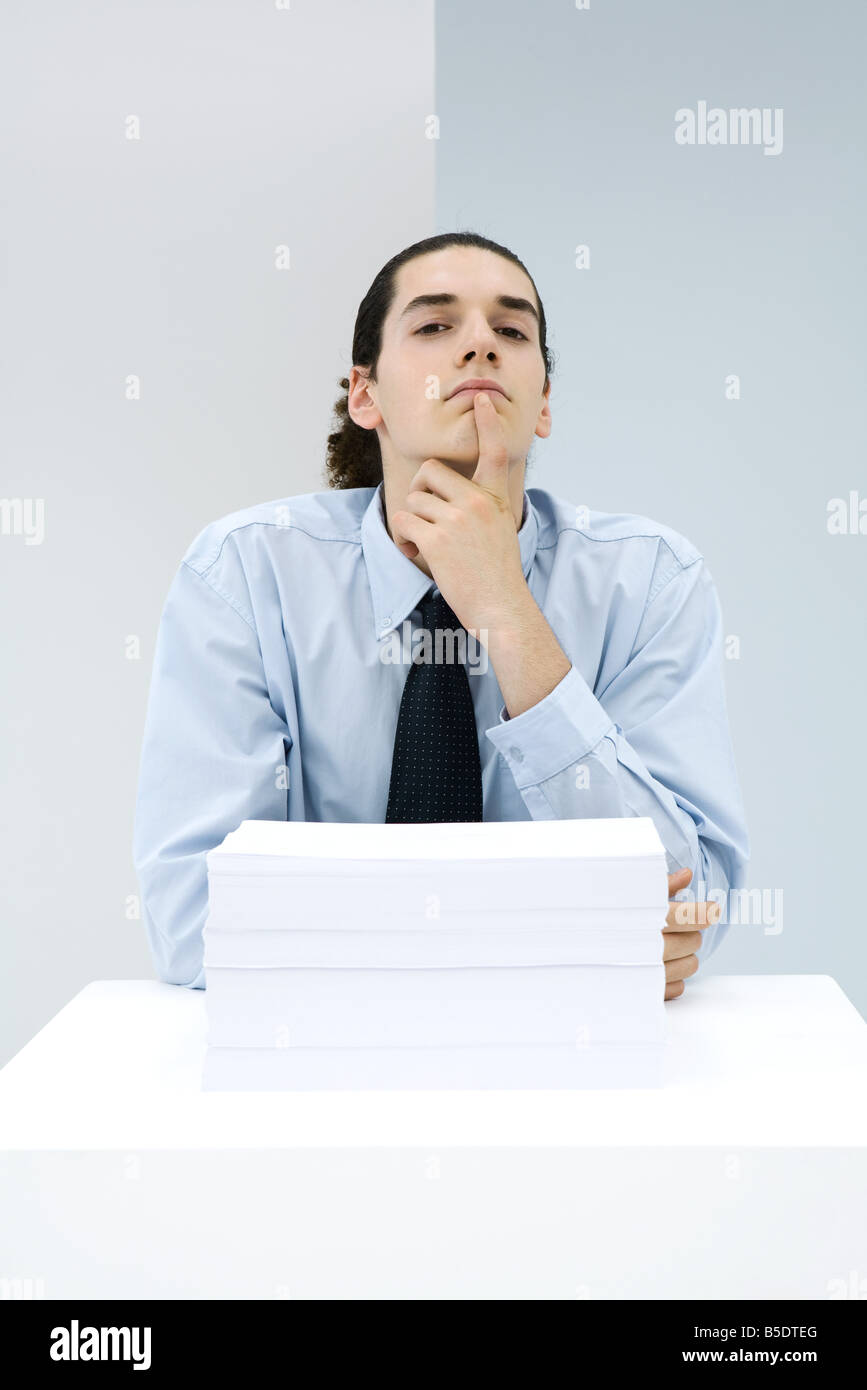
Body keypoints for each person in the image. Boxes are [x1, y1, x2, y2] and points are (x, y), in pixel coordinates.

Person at [133, 231, 749, 997]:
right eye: (434, 326)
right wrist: (543, 947)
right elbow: (197, 925)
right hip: (314, 1073)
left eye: (511, 330)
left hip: (577, 1075)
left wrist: (501, 605)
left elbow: (685, 903)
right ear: (365, 395)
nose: (480, 346)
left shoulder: (652, 580)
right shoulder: (244, 575)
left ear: (545, 403)